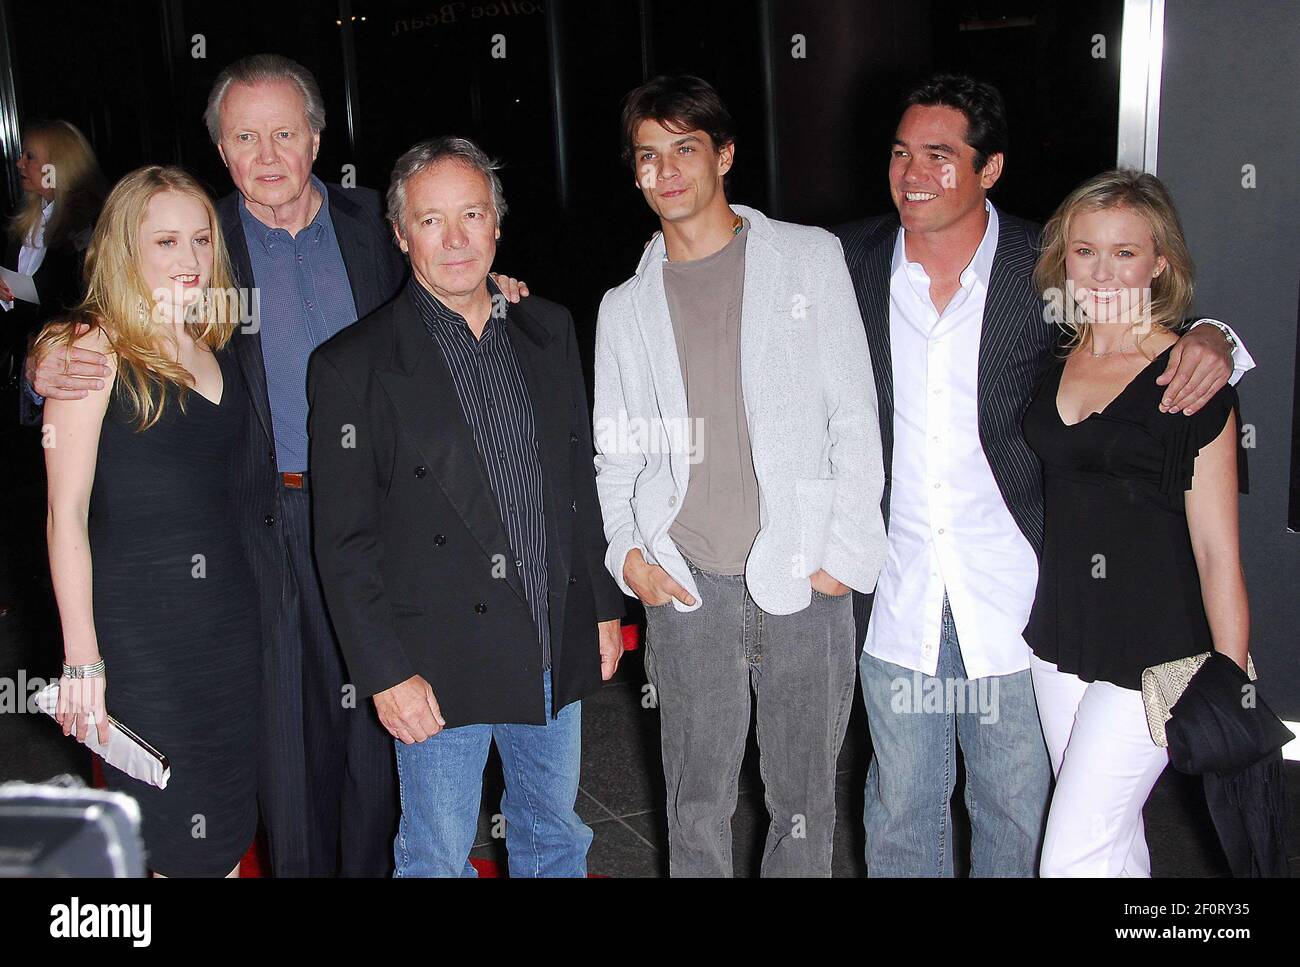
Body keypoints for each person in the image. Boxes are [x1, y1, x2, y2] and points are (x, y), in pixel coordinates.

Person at [29, 54, 528, 877]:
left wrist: (494, 287)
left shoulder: (383, 225)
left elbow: (453, 277)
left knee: (379, 726)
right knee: (279, 741)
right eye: (244, 136)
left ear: (318, 137)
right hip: (256, 527)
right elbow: (112, 319)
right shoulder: (202, 234)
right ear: (221, 150)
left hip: (373, 520)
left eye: (285, 133)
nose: (266, 154)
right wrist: (42, 361)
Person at [833, 74, 1252, 877]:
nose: (912, 172)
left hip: (1022, 596)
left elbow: (1140, 325)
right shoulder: (847, 260)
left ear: (989, 170)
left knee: (1024, 818)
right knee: (898, 813)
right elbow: (737, 257)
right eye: (899, 153)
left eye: (939, 155)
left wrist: (1215, 335)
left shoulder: (1045, 267)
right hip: (895, 592)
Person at [593, 75, 887, 877]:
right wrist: (632, 558)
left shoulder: (807, 257)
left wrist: (844, 558)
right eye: (648, 156)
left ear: (724, 153)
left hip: (803, 571)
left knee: (802, 803)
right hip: (688, 582)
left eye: (685, 148)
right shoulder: (624, 306)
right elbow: (616, 450)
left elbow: (854, 414)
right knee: (694, 804)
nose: (666, 171)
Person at [307, 137, 625, 877]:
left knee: (554, 836)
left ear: (497, 224)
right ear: (399, 233)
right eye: (430, 220)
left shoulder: (547, 328)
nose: (454, 239)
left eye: (472, 214)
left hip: (548, 637)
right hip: (434, 664)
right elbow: (342, 542)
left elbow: (577, 484)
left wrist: (600, 605)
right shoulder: (352, 364)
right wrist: (384, 672)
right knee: (435, 855)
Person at [1022, 169, 1249, 877]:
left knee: (1070, 857)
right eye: (1086, 250)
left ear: (1160, 263)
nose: (1103, 269)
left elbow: (1217, 550)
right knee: (1110, 840)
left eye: (1125, 251)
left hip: (1161, 652)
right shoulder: (1053, 357)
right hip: (1060, 637)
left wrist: (1232, 669)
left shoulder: (1192, 377)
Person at [43, 165, 258, 877]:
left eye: (200, 239)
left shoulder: (213, 343)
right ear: (123, 248)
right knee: (171, 841)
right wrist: (83, 662)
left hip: (228, 627)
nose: (190, 259)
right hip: (143, 645)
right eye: (165, 241)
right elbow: (64, 516)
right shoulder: (88, 348)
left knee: (224, 834)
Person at [2, 119, 105, 419]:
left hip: (69, 382)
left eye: (30, 156)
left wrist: (10, 286)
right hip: (21, 380)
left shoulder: (91, 225)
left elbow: (72, 300)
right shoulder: (23, 221)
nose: (20, 163)